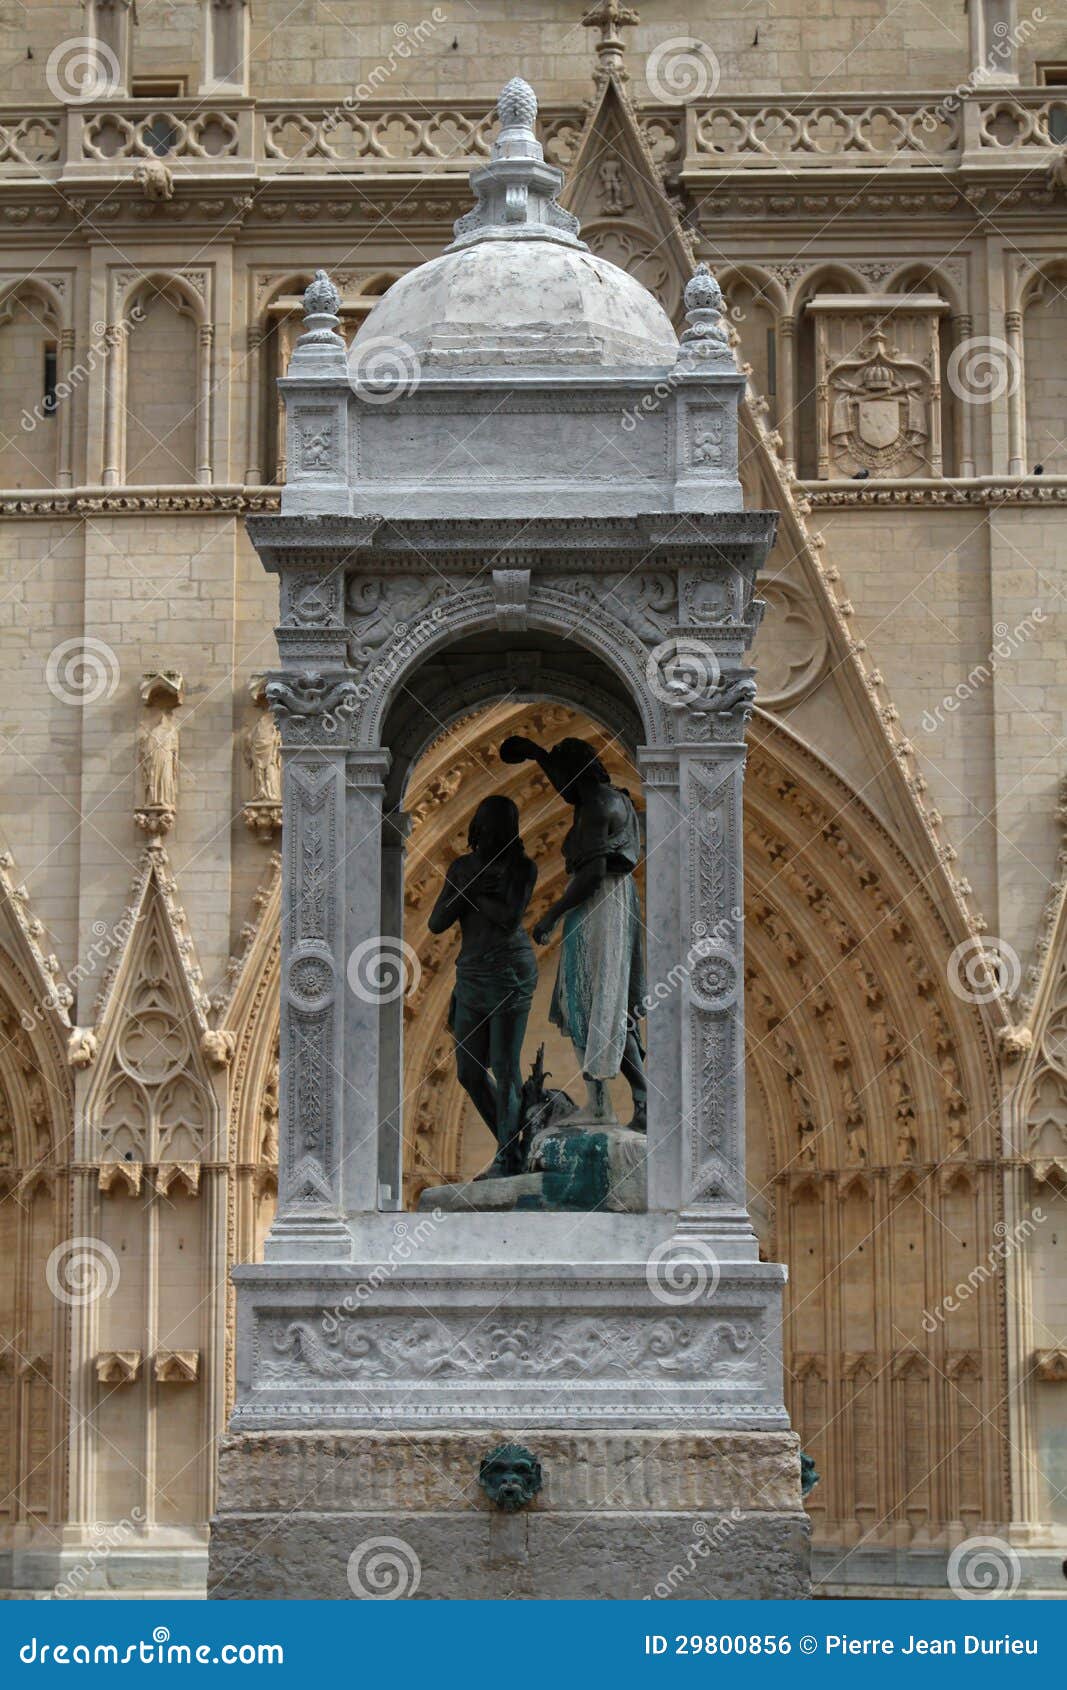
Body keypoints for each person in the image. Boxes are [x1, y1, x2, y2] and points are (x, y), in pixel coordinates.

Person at [500, 734, 647, 1132]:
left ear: (575, 774)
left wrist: (551, 915)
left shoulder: (597, 806)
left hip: (597, 903)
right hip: (611, 902)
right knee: (605, 1003)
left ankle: (601, 1105)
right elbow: (568, 785)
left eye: (560, 778)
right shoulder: (605, 797)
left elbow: (593, 873)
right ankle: (642, 1098)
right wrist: (536, 752)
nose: (557, 789)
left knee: (587, 1002)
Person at [428, 795, 538, 1177]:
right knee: (468, 1072)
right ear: (477, 829)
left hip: (510, 972)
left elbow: (509, 918)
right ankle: (517, 1144)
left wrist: (471, 892)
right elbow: (436, 923)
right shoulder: (463, 868)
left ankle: (508, 1157)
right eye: (486, 829)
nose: (491, 837)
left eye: (500, 830)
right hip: (471, 973)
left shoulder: (522, 868)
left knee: (507, 1067)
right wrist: (468, 886)